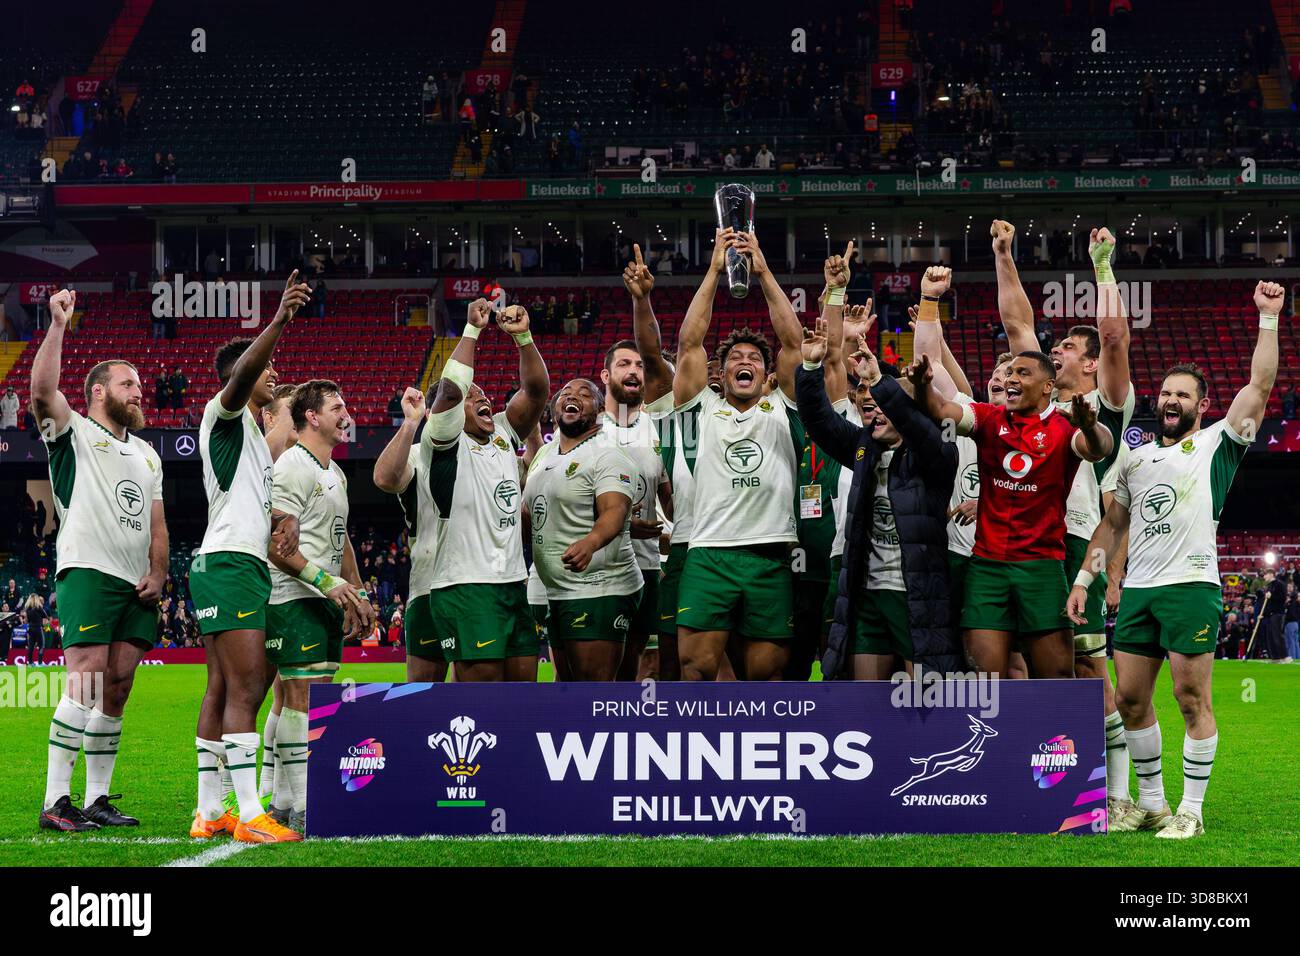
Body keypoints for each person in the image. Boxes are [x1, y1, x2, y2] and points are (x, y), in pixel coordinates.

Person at [1069, 280, 1283, 839]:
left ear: (1202, 405)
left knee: (1192, 698)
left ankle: (1192, 810)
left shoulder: (1218, 444)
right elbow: (1112, 525)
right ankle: (1153, 803)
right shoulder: (1134, 460)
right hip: (1138, 590)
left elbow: (1259, 384)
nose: (1170, 401)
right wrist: (1086, 577)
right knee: (1134, 699)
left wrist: (1267, 319)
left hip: (1190, 587)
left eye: (1183, 395)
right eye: (1165, 393)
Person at [992, 219, 1135, 815]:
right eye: (1056, 352)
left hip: (1076, 544)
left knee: (1087, 668)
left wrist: (1102, 266)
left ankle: (1121, 795)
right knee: (1022, 665)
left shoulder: (1105, 403)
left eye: (1070, 349)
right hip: (1024, 546)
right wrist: (1003, 254)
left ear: (1091, 361)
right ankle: (1038, 784)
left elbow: (1114, 337)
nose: (1057, 352)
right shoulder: (1037, 397)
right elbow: (1017, 323)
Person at [33, 289, 169, 832]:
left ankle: (96, 800)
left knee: (117, 688)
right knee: (85, 682)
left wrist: (159, 572)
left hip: (135, 583)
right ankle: (54, 802)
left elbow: (157, 524)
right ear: (97, 392)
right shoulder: (74, 432)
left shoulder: (148, 453)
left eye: (138, 384)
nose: (139, 391)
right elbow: (42, 391)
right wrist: (59, 325)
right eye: (127, 383)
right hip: (88, 569)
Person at [187, 272, 316, 844]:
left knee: (219, 691)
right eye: (268, 370)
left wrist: (280, 518)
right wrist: (281, 319)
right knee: (246, 692)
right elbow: (243, 375)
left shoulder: (252, 451)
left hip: (225, 564)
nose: (275, 375)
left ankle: (209, 811)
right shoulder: (224, 414)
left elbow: (256, 495)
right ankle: (249, 815)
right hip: (232, 566)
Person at [915, 341, 1114, 680]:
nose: (1011, 379)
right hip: (987, 568)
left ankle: (1052, 736)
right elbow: (941, 410)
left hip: (1042, 569)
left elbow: (1099, 448)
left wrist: (1090, 425)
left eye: (1023, 373)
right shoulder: (988, 419)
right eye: (1009, 373)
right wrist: (922, 386)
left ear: (1047, 387)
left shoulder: (1065, 427)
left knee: (1057, 681)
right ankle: (992, 734)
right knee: (983, 681)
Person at [374, 298, 548, 683]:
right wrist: (472, 330)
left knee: (522, 698)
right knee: (453, 695)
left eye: (484, 394)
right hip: (456, 582)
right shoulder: (438, 443)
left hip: (511, 583)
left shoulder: (502, 433)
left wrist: (523, 339)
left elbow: (536, 393)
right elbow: (451, 392)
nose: (482, 397)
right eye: (474, 395)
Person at [799, 313, 961, 680]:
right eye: (870, 406)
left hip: (917, 595)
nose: (875, 412)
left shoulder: (936, 453)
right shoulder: (863, 450)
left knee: (927, 701)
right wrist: (810, 366)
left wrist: (876, 379)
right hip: (868, 594)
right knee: (865, 701)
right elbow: (820, 420)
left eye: (886, 405)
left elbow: (921, 434)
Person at [671, 229, 802, 681]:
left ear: (766, 373)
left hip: (770, 554)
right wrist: (713, 268)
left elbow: (793, 345)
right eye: (734, 357)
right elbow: (689, 344)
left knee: (766, 677)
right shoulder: (702, 409)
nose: (745, 361)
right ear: (721, 372)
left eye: (754, 358)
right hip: (709, 553)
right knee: (696, 669)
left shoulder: (782, 408)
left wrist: (762, 269)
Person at [264, 380, 374, 831]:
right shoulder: (292, 466)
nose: (346, 414)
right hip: (293, 595)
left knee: (311, 697)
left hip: (325, 594)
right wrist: (327, 584)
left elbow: (340, 539)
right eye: (337, 406)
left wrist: (358, 590)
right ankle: (304, 806)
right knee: (300, 697)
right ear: (311, 416)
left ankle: (285, 804)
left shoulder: (335, 471)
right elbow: (277, 546)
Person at [524, 379, 641, 681]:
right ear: (555, 408)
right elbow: (529, 514)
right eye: (565, 394)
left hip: (599, 588)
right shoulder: (543, 455)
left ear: (600, 410)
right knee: (567, 688)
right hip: (557, 591)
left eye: (585, 395)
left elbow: (615, 510)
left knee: (594, 692)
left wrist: (591, 542)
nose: (572, 397)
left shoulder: (607, 454)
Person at [596, 325, 670, 682]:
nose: (634, 371)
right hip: (597, 569)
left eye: (640, 365)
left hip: (648, 565)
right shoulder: (589, 430)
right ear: (606, 375)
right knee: (595, 668)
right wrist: (625, 526)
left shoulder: (659, 430)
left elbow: (670, 500)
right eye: (624, 363)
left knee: (636, 663)